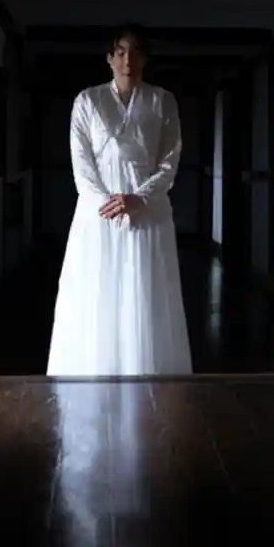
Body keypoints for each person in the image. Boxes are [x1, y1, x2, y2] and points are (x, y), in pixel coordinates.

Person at [45, 23, 193, 376]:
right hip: (98, 212)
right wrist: (107, 202)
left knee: (145, 292)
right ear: (110, 58)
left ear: (145, 58)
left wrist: (139, 198)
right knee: (98, 290)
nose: (129, 60)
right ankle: (95, 370)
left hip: (148, 209)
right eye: (121, 52)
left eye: (136, 52)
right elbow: (81, 164)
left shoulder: (162, 100)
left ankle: (148, 374)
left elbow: (170, 161)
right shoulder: (87, 100)